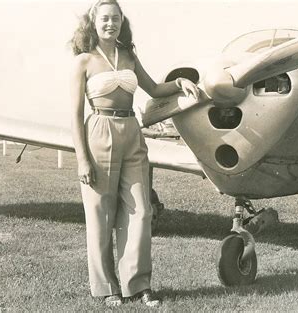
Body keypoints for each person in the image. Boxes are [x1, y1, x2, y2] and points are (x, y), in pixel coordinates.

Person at [69, 0, 199, 307]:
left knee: (141, 211)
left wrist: (179, 83)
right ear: (93, 21)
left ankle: (138, 285)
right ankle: (106, 288)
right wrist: (82, 158)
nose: (110, 24)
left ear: (121, 22)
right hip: (98, 130)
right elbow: (74, 115)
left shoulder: (128, 55)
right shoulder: (83, 61)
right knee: (101, 213)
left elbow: (154, 89)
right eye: (104, 19)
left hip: (132, 132)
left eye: (115, 18)